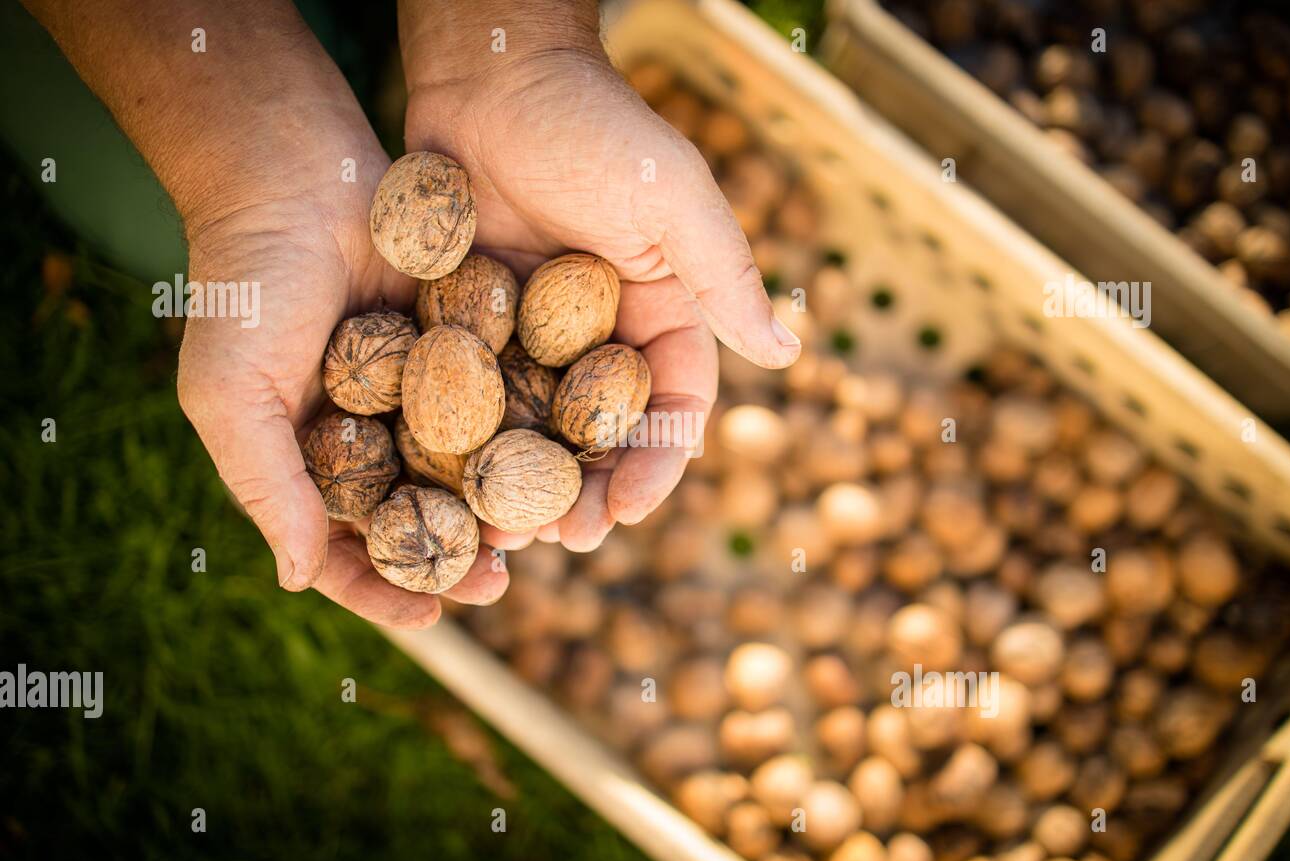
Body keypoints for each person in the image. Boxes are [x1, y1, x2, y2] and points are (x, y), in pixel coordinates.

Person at [22, 0, 801, 627]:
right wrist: (243, 188)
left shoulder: (472, 381)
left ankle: (386, 50)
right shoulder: (449, 372)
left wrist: (506, 54)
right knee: (130, 196)